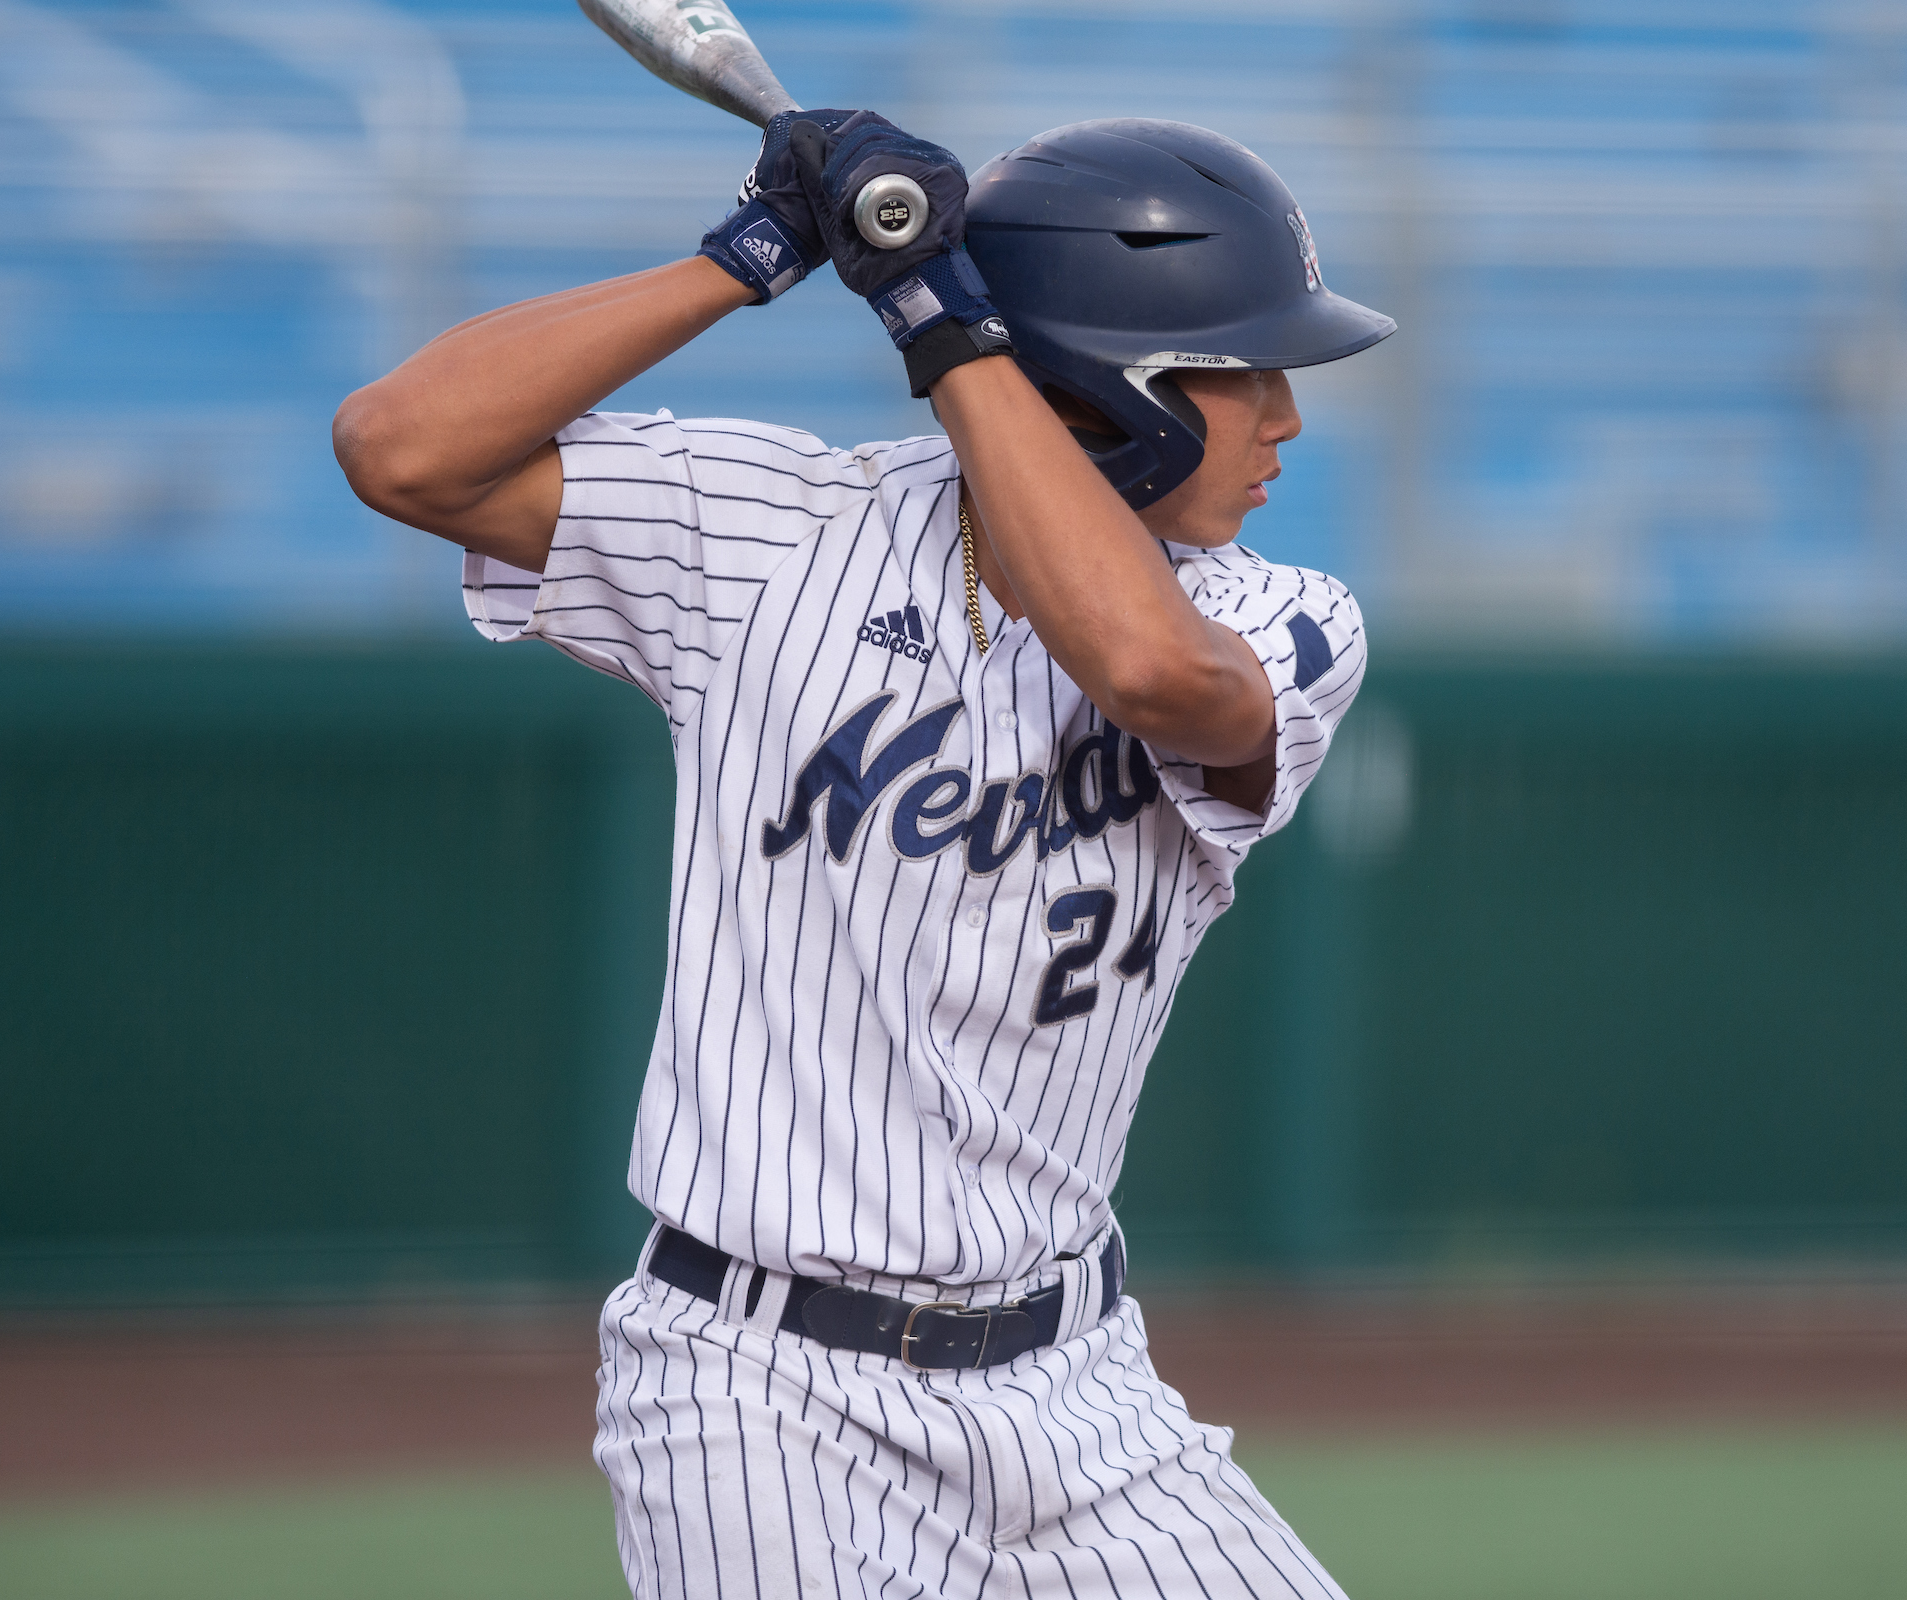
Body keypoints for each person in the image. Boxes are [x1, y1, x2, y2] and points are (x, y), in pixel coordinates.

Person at [333, 109, 1392, 1600]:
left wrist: (939, 320)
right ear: (1107, 388)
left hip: (1079, 1387)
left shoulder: (1292, 617)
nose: (1284, 415)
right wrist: (748, 254)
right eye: (1234, 371)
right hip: (758, 1392)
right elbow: (400, 447)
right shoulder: (781, 534)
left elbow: (1153, 676)